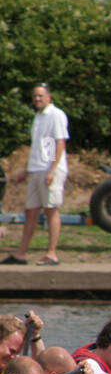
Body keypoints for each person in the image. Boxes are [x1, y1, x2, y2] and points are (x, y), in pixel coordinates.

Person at [3, 83, 70, 266]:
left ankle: (51, 253)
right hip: (37, 170)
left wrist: (52, 170)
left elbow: (59, 143)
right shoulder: (38, 117)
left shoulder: (56, 115)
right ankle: (21, 253)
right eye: (35, 96)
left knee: (51, 210)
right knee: (31, 211)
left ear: (49, 96)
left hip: (50, 171)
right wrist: (28, 170)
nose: (37, 99)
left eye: (40, 95)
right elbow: (43, 146)